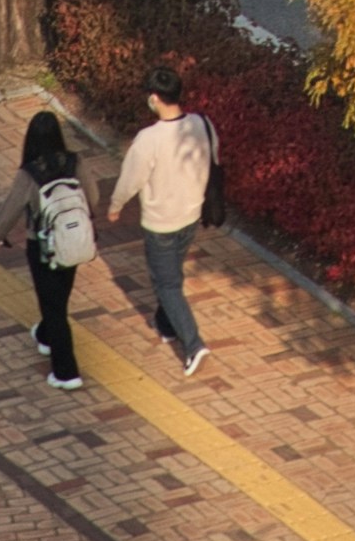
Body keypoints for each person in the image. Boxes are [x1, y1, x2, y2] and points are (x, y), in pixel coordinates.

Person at [108, 76, 217, 379]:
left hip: (162, 222)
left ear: (154, 98)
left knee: (166, 283)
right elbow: (213, 157)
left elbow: (132, 178)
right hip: (191, 214)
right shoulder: (201, 124)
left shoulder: (149, 139)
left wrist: (116, 206)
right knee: (170, 272)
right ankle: (165, 323)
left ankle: (193, 345)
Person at [18, 108, 94, 388]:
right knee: (58, 296)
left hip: (41, 246)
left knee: (53, 307)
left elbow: (10, 209)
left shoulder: (29, 173)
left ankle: (66, 372)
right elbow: (93, 196)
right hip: (72, 241)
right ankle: (46, 335)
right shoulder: (75, 162)